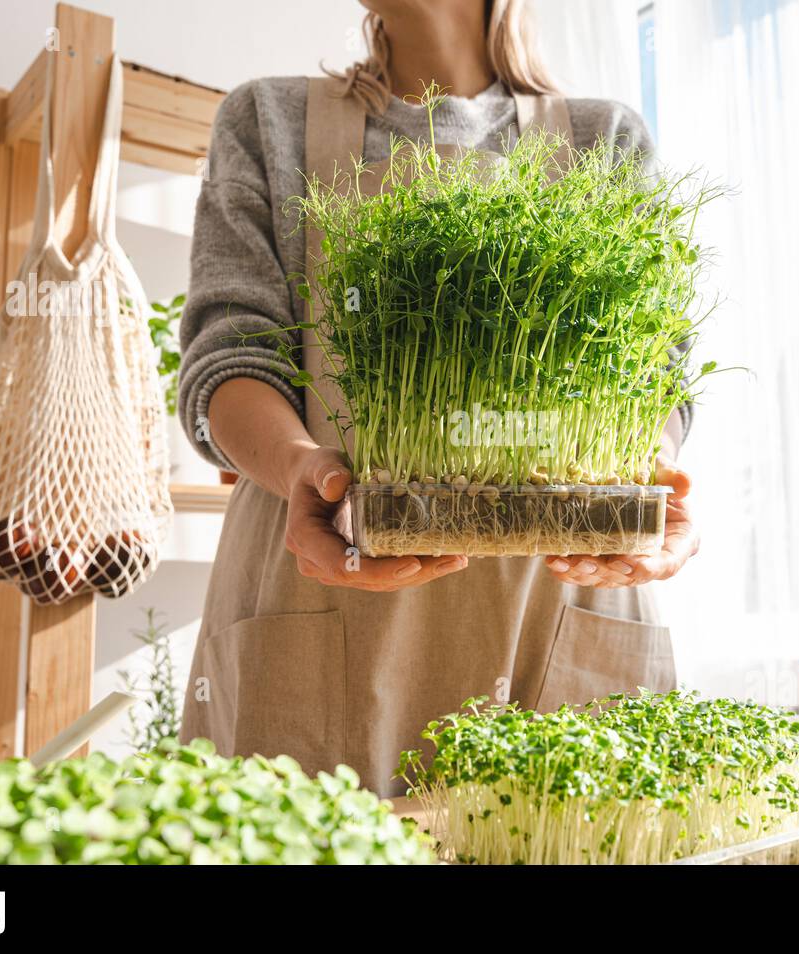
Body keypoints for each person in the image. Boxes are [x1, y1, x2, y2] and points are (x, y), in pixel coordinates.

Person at [177, 0, 700, 796]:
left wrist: (643, 482)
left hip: (553, 600)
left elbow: (656, 374)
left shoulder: (606, 138)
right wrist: (303, 471)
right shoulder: (267, 120)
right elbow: (230, 350)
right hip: (319, 577)